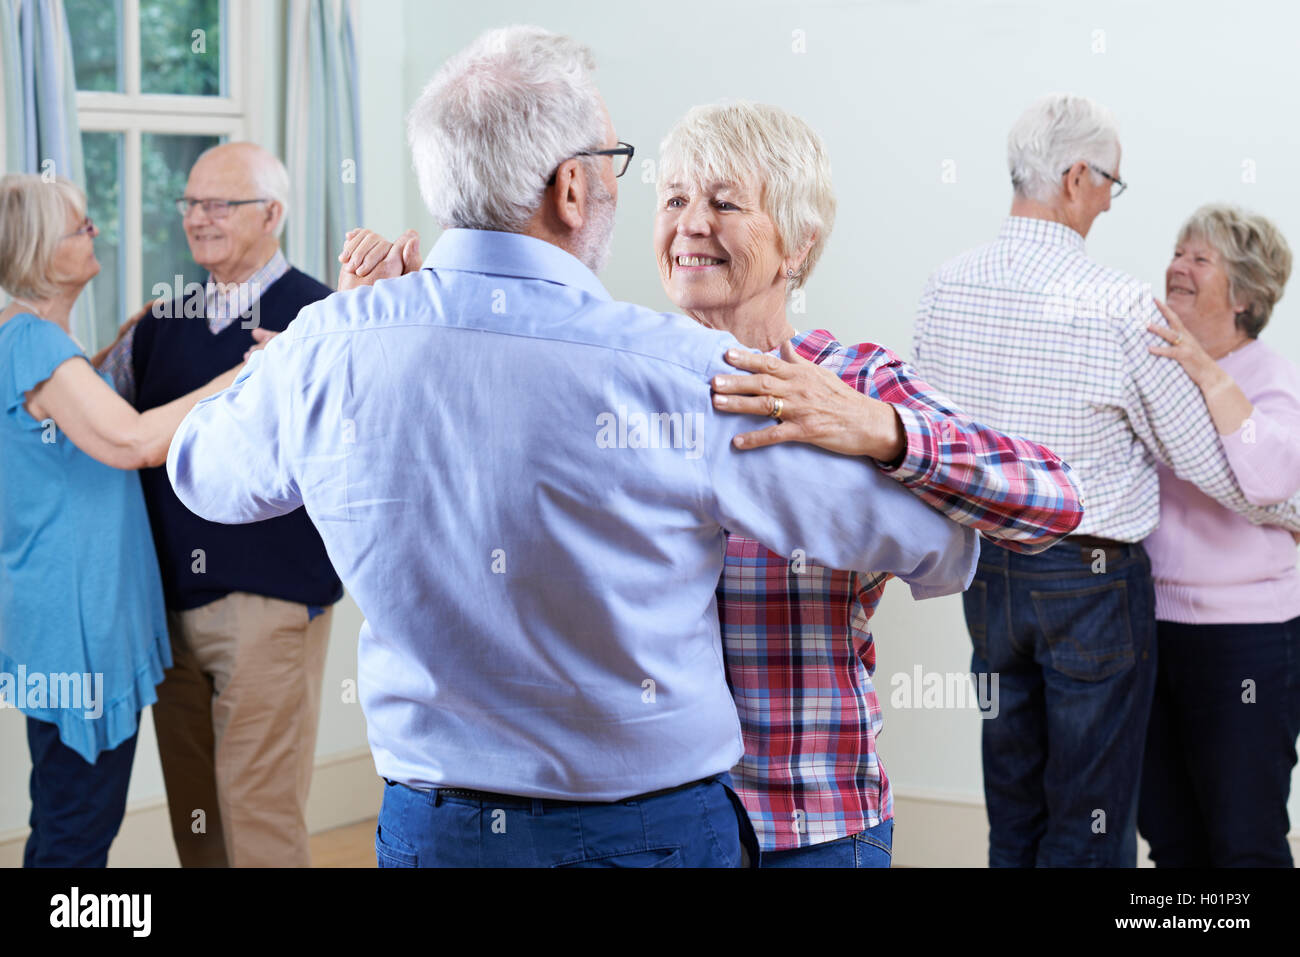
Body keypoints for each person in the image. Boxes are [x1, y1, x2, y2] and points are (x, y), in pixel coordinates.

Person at [166, 25, 979, 868]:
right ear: (569, 189)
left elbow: (202, 472)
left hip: (432, 831)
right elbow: (937, 544)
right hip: (645, 836)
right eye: (616, 163)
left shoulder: (332, 341)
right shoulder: (678, 373)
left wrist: (326, 341)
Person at [653, 101, 1083, 866]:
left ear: (799, 242)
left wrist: (880, 430)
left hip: (815, 819)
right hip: (661, 823)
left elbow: (1051, 497)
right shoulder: (632, 380)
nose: (690, 223)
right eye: (675, 198)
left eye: (723, 201)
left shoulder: (855, 379)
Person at [911, 93, 1300, 867]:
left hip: (986, 572)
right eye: (1112, 186)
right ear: (1079, 176)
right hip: (1088, 581)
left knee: (1014, 799)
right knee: (1091, 817)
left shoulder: (946, 284)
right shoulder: (1118, 304)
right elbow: (1209, 463)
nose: (1110, 206)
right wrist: (1289, 508)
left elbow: (929, 432)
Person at [97, 142, 344, 868]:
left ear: (272, 214)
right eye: (190, 203)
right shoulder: (161, 320)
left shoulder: (320, 317)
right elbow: (99, 419)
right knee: (197, 821)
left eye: (218, 204)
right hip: (168, 609)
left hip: (269, 605)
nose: (197, 218)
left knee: (259, 819)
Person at [0, 173, 241, 866]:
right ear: (45, 252)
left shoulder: (29, 341)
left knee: (64, 814)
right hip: (78, 629)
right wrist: (250, 372)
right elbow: (132, 441)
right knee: (78, 829)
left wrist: (111, 351)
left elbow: (63, 420)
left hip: (59, 618)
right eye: (79, 227)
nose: (93, 232)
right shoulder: (39, 349)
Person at [1139, 205, 1300, 867]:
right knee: (1170, 836)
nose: (1178, 265)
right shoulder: (1154, 367)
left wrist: (1207, 371)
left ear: (1245, 296)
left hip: (1246, 640)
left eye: (1199, 258)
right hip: (1150, 628)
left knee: (1243, 839)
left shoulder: (1270, 377)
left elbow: (1267, 477)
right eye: (1178, 251)